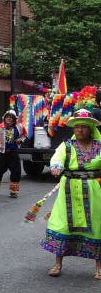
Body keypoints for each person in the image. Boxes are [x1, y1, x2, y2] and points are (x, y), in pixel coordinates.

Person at [40, 109, 101, 279]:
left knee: (97, 225)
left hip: (94, 190)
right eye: (77, 127)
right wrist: (56, 166)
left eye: (84, 127)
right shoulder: (66, 146)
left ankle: (99, 267)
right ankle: (57, 264)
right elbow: (57, 158)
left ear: (90, 129)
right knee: (62, 223)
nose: (80, 130)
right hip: (69, 190)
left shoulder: (99, 146)